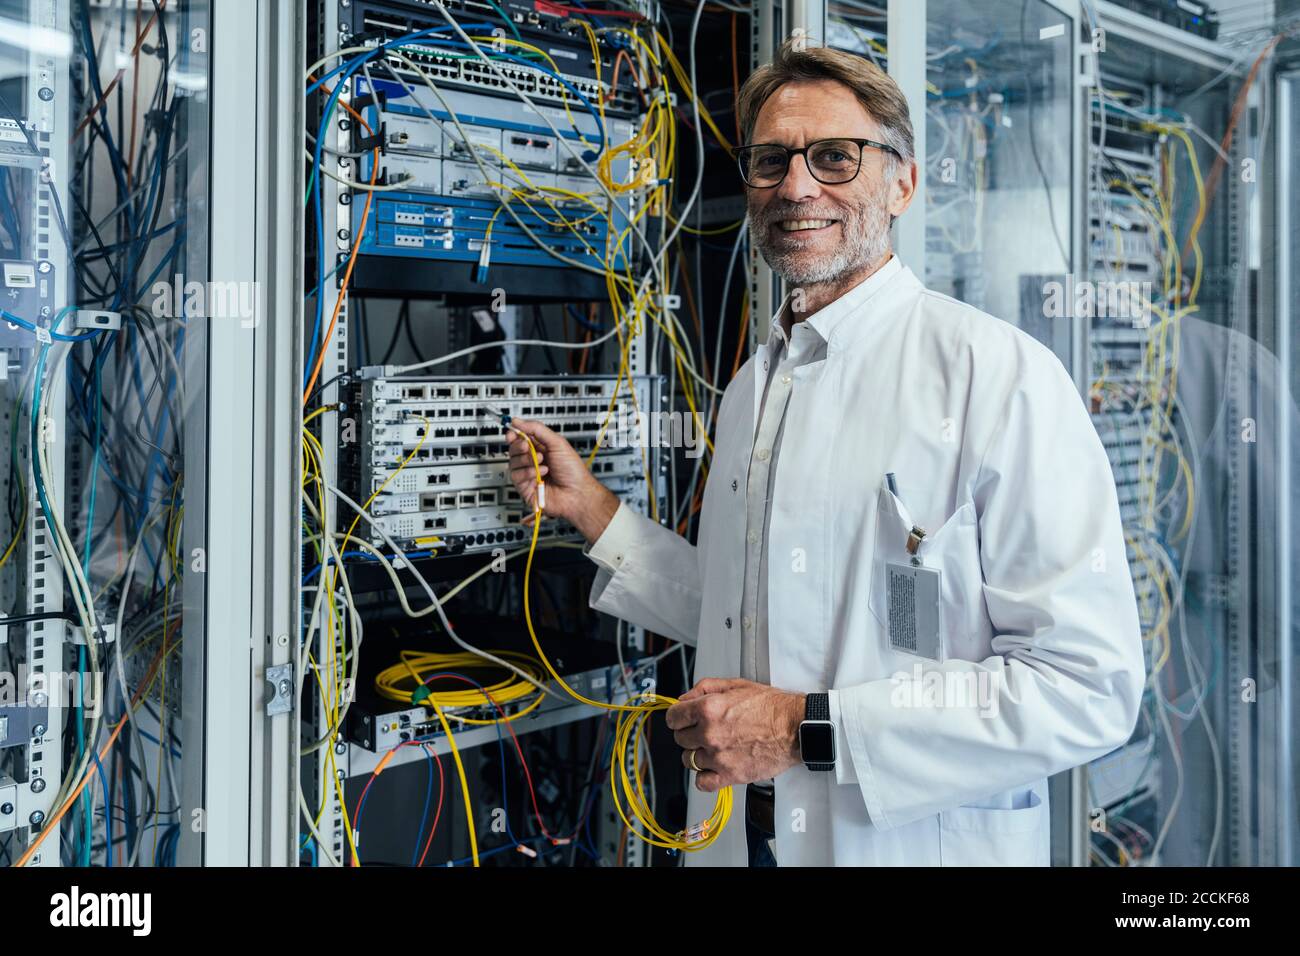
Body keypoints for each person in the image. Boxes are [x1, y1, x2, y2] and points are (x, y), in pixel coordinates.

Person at [506, 40, 1144, 866]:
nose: (797, 186)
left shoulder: (997, 376)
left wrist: (801, 729)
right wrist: (593, 512)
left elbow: (1086, 689)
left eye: (835, 157)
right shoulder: (749, 391)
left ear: (903, 183)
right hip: (745, 839)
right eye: (771, 161)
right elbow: (740, 613)